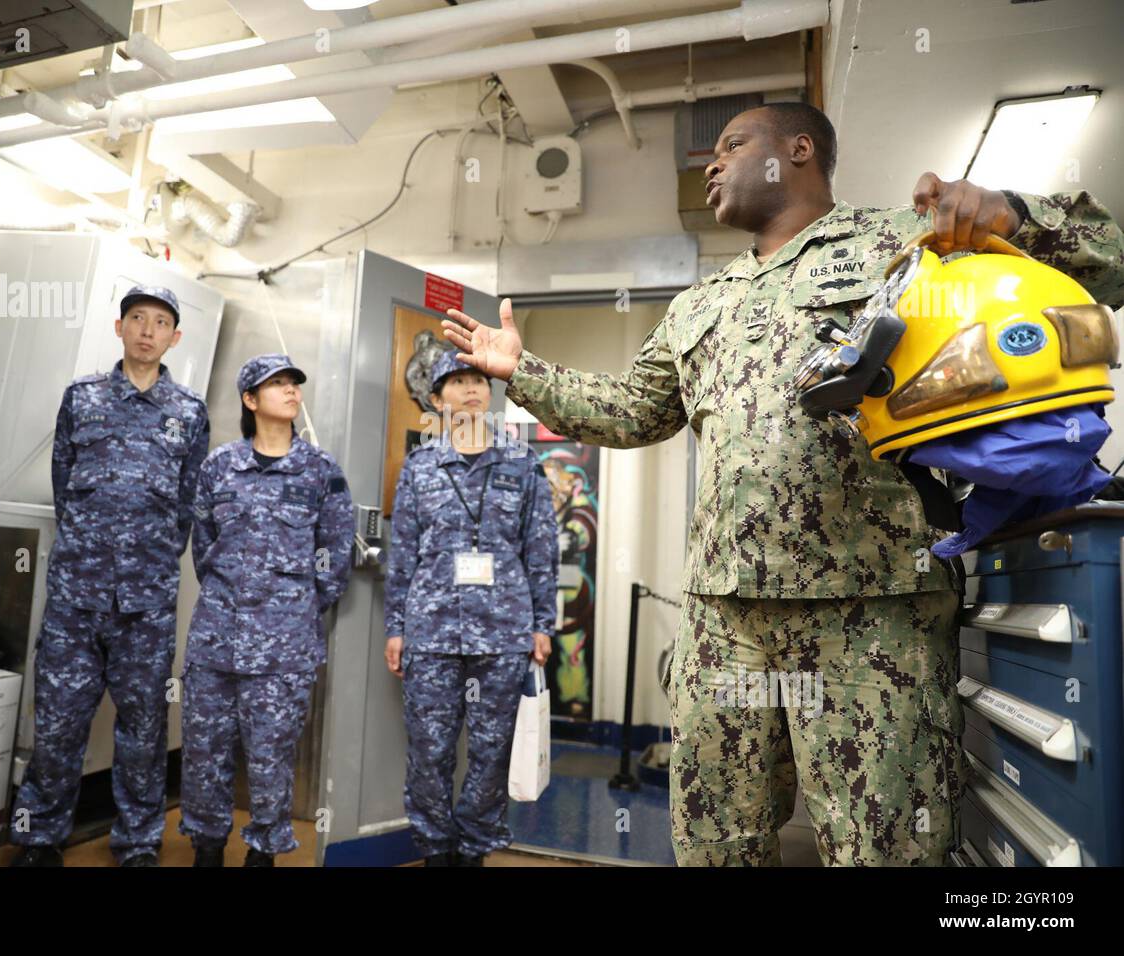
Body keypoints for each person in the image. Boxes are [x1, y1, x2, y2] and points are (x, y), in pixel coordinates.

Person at [441, 102, 1124, 866]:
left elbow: (1109, 263)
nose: (711, 162)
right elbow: (632, 413)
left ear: (799, 150)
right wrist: (521, 371)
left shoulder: (903, 244)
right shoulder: (700, 303)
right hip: (727, 623)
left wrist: (1015, 215)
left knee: (882, 847)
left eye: (732, 144)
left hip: (869, 614)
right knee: (716, 843)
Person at [9, 285, 210, 867]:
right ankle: (40, 838)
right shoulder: (82, 398)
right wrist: (92, 553)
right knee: (57, 725)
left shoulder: (189, 412)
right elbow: (64, 486)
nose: (148, 330)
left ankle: (139, 843)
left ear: (176, 337)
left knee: (145, 730)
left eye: (161, 322)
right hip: (76, 596)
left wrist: (145, 560)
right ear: (118, 328)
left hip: (146, 604)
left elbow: (186, 505)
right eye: (138, 319)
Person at [384, 349, 558, 866]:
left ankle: (475, 850)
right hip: (431, 636)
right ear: (437, 400)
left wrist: (543, 624)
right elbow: (403, 555)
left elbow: (542, 549)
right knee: (429, 753)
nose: (471, 389)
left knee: (491, 752)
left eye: (478, 379)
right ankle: (437, 850)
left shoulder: (523, 463)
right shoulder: (419, 468)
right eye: (457, 382)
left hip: (504, 632)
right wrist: (396, 627)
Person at [180, 354, 353, 867]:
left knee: (271, 758)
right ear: (250, 400)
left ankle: (264, 854)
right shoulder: (219, 466)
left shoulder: (321, 472)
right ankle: (207, 848)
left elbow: (335, 557)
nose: (291, 391)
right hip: (215, 640)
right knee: (204, 753)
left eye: (294, 383)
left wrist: (294, 607)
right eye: (276, 385)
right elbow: (203, 546)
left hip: (285, 648)